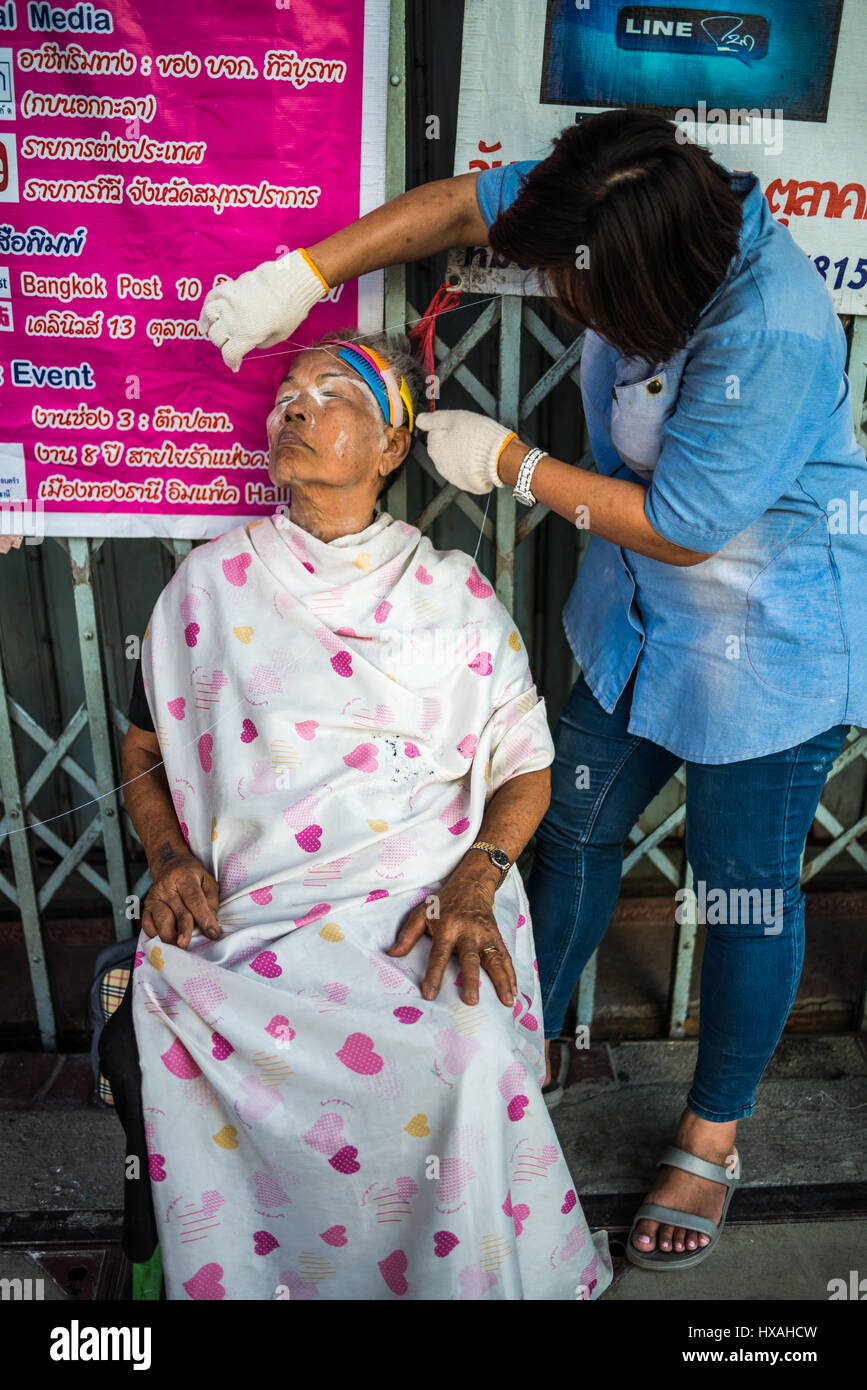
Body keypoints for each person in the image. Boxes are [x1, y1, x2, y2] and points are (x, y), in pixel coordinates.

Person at [197, 108, 867, 1271]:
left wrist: (514, 463)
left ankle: (712, 1134)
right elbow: (466, 208)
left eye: (576, 289)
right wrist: (301, 272)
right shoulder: (623, 188)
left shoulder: (774, 337)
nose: (561, 299)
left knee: (744, 884)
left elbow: (684, 525)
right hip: (637, 627)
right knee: (569, 823)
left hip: (767, 641)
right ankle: (521, 1049)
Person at [105, 328, 612, 1301]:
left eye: (331, 390)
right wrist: (169, 855)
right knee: (176, 1028)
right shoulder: (206, 589)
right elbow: (141, 752)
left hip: (414, 907)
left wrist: (479, 874)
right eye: (286, 392)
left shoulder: (452, 598)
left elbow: (525, 766)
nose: (292, 406)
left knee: (463, 1052)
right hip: (250, 918)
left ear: (391, 444)